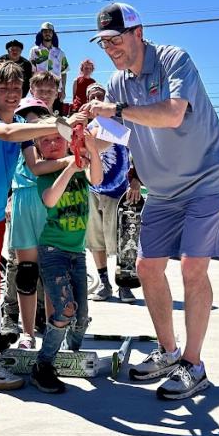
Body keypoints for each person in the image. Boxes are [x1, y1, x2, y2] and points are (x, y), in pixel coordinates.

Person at [83, 2, 219, 400]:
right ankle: (168, 352)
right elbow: (110, 135)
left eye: (115, 39)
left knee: (191, 269)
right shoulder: (117, 82)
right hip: (164, 189)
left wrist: (114, 110)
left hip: (207, 178)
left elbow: (172, 114)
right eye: (103, 42)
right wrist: (78, 134)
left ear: (138, 32)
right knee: (147, 267)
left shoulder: (172, 60)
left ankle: (193, 364)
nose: (110, 48)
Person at [0, 61, 81, 391]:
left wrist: (75, 158)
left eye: (15, 87)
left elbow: (36, 166)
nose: (10, 93)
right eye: (2, 87)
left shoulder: (22, 123)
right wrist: (58, 123)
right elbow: (7, 134)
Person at [30, 124, 103, 393]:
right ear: (38, 148)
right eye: (44, 141)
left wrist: (91, 150)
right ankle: (44, 364)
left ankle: (70, 354)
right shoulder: (46, 175)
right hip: (53, 251)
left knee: (81, 317)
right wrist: (70, 167)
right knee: (65, 309)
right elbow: (50, 200)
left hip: (77, 252)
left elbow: (97, 179)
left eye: (56, 139)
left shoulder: (80, 167)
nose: (51, 144)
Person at [5, 97, 71, 350]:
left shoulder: (52, 138)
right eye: (24, 116)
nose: (30, 120)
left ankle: (57, 332)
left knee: (53, 271)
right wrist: (8, 199)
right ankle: (27, 333)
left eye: (37, 116)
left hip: (48, 202)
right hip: (23, 200)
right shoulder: (15, 138)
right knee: (27, 273)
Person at [84, 83, 133, 303]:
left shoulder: (120, 125)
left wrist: (136, 181)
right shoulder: (84, 127)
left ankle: (124, 284)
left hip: (118, 190)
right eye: (91, 95)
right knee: (96, 239)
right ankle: (104, 283)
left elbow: (139, 154)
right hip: (92, 190)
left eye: (100, 96)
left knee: (122, 241)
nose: (95, 98)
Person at [29, 22, 69, 103]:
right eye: (45, 31)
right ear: (41, 33)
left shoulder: (60, 52)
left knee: (55, 115)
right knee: (40, 114)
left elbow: (64, 72)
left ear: (53, 34)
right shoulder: (35, 51)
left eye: (50, 31)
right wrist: (32, 87)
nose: (47, 33)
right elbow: (32, 71)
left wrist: (63, 90)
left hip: (56, 90)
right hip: (40, 89)